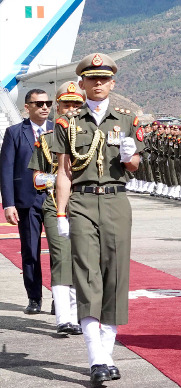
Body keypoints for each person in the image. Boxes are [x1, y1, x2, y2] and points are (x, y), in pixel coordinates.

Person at [52, 53, 144, 384]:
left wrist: (130, 156)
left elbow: (134, 167)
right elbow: (63, 171)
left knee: (116, 275)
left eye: (104, 78)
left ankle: (108, 351)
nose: (99, 83)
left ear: (113, 83)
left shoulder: (128, 120)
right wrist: (61, 211)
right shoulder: (68, 123)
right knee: (87, 274)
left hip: (117, 200)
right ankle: (96, 357)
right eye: (92, 78)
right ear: (83, 83)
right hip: (82, 201)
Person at [28, 82, 84, 334]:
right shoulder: (47, 140)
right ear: (57, 107)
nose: (71, 109)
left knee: (84, 259)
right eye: (66, 104)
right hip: (55, 205)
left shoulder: (94, 135)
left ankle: (83, 313)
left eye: (77, 104)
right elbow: (37, 178)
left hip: (87, 205)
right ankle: (64, 316)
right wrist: (62, 181)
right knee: (62, 258)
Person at [0, 89, 53, 315]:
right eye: (38, 103)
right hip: (26, 201)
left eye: (47, 103)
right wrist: (8, 203)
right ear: (27, 107)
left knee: (59, 252)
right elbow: (6, 169)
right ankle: (34, 297)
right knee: (30, 251)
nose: (44, 107)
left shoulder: (58, 129)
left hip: (54, 200)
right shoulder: (14, 132)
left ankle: (60, 299)